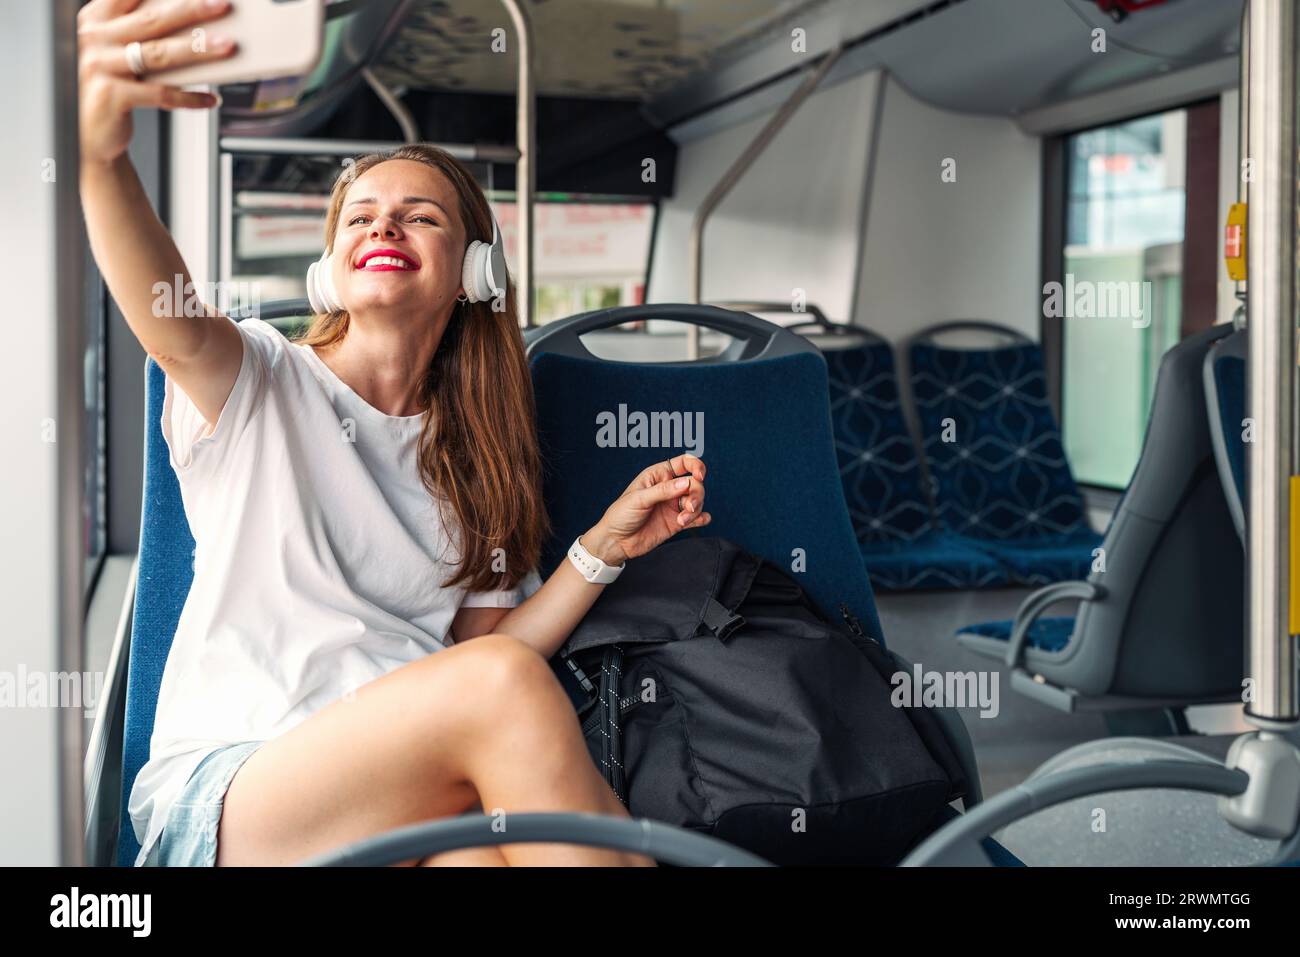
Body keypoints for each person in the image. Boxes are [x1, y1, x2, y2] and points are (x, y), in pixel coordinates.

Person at [78, 0, 710, 866]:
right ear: (330, 267)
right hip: (236, 799)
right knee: (506, 698)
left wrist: (601, 547)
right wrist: (99, 159)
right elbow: (169, 317)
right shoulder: (257, 379)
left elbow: (489, 653)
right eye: (361, 216)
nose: (384, 224)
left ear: (475, 273)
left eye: (422, 216)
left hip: (413, 790)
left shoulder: (479, 452)